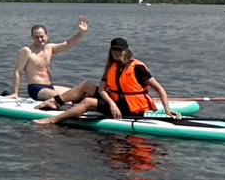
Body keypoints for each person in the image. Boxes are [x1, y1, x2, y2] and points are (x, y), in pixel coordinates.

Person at [36, 36, 174, 126]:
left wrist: (167, 110)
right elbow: (102, 89)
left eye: (119, 50)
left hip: (129, 109)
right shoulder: (112, 66)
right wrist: (112, 104)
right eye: (114, 49)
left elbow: (159, 89)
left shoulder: (137, 67)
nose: (116, 52)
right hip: (115, 103)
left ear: (126, 51)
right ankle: (54, 102)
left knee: (88, 102)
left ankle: (53, 120)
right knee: (86, 85)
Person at [11, 18, 90, 100]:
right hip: (36, 89)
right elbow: (18, 71)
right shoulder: (27, 51)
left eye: (42, 36)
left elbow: (67, 44)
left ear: (47, 35)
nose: (40, 39)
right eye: (36, 37)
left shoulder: (49, 48)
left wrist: (81, 33)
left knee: (80, 94)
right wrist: (15, 93)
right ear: (32, 37)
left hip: (50, 87)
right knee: (67, 98)